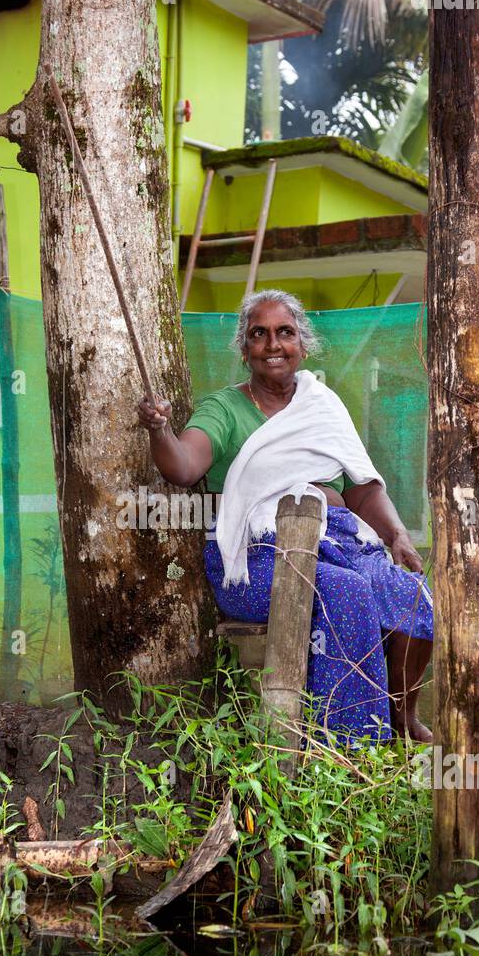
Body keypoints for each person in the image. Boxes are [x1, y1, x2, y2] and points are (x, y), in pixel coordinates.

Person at [137, 289, 433, 743]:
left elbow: (361, 485)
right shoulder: (225, 409)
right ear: (245, 349)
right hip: (259, 559)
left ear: (302, 345)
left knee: (413, 595)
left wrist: (395, 534)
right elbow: (181, 467)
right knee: (347, 592)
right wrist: (160, 430)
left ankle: (399, 717)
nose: (273, 344)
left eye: (285, 333)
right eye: (260, 334)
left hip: (340, 543)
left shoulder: (322, 405)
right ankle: (348, 744)